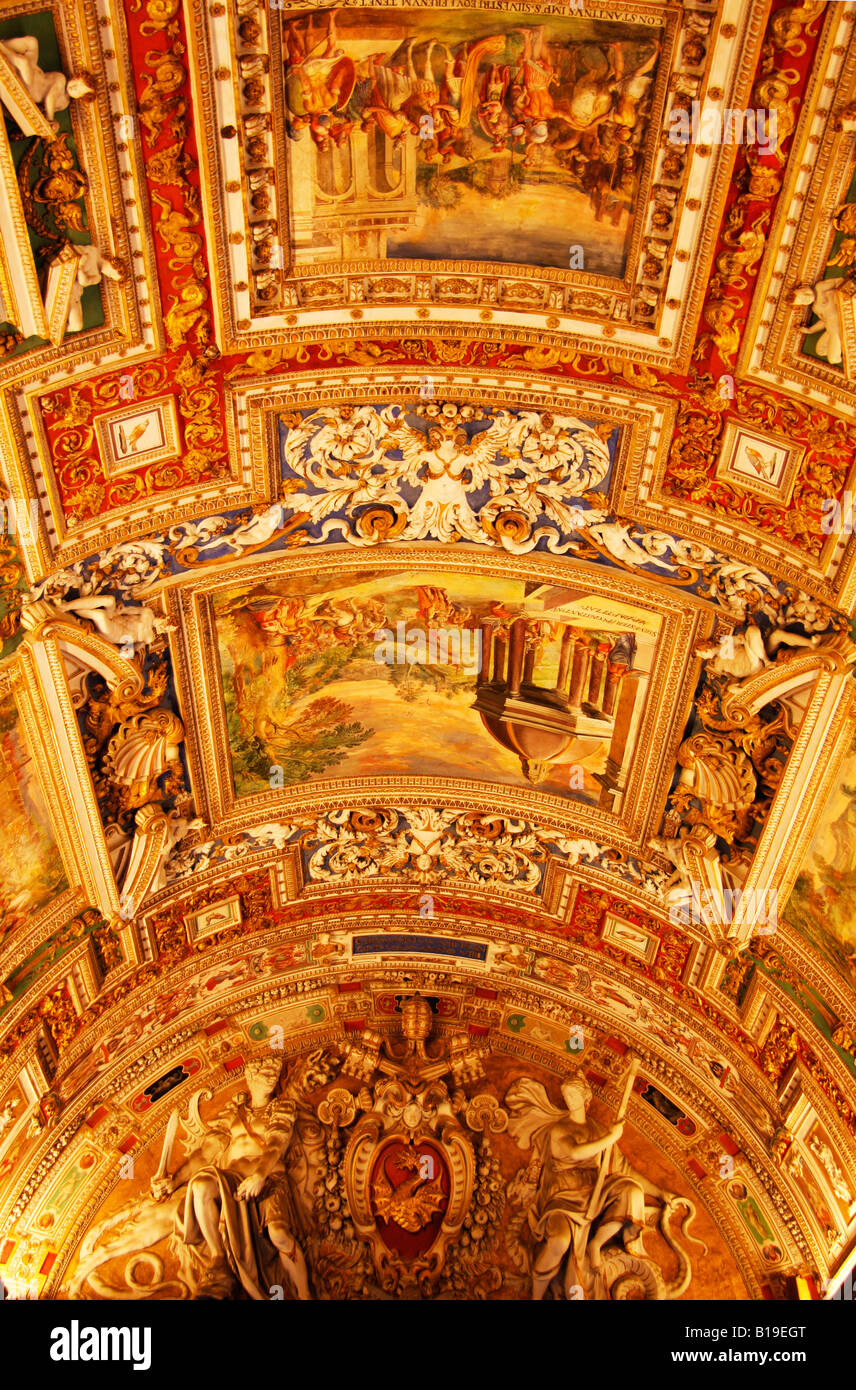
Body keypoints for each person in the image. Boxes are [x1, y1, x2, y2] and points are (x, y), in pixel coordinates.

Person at [151, 1056, 311, 1299]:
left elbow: (276, 1145)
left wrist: (259, 1175)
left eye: (273, 1071)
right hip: (232, 1181)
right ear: (249, 1077)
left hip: (269, 1180)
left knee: (279, 1234)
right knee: (202, 1185)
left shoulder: (281, 1108)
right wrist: (173, 1182)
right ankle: (219, 1259)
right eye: (263, 1070)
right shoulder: (232, 1113)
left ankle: (305, 1294)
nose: (270, 1076)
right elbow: (205, 1154)